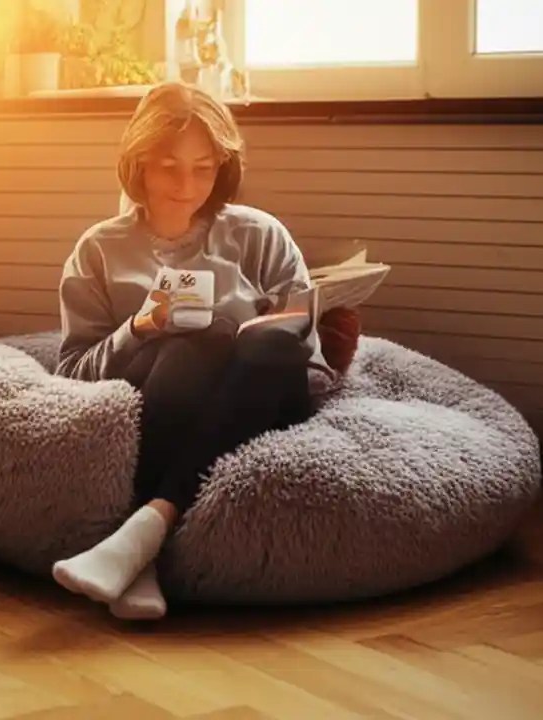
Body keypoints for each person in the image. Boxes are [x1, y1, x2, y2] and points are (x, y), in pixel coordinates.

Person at [51, 81, 338, 620]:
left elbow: (313, 367)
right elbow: (71, 371)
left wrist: (260, 335)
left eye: (203, 168)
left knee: (272, 341)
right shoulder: (99, 251)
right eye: (168, 166)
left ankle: (140, 537)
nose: (186, 186)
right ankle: (147, 542)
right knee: (191, 345)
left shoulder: (261, 236)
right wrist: (137, 328)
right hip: (167, 396)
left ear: (222, 166)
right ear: (138, 163)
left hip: (265, 391)